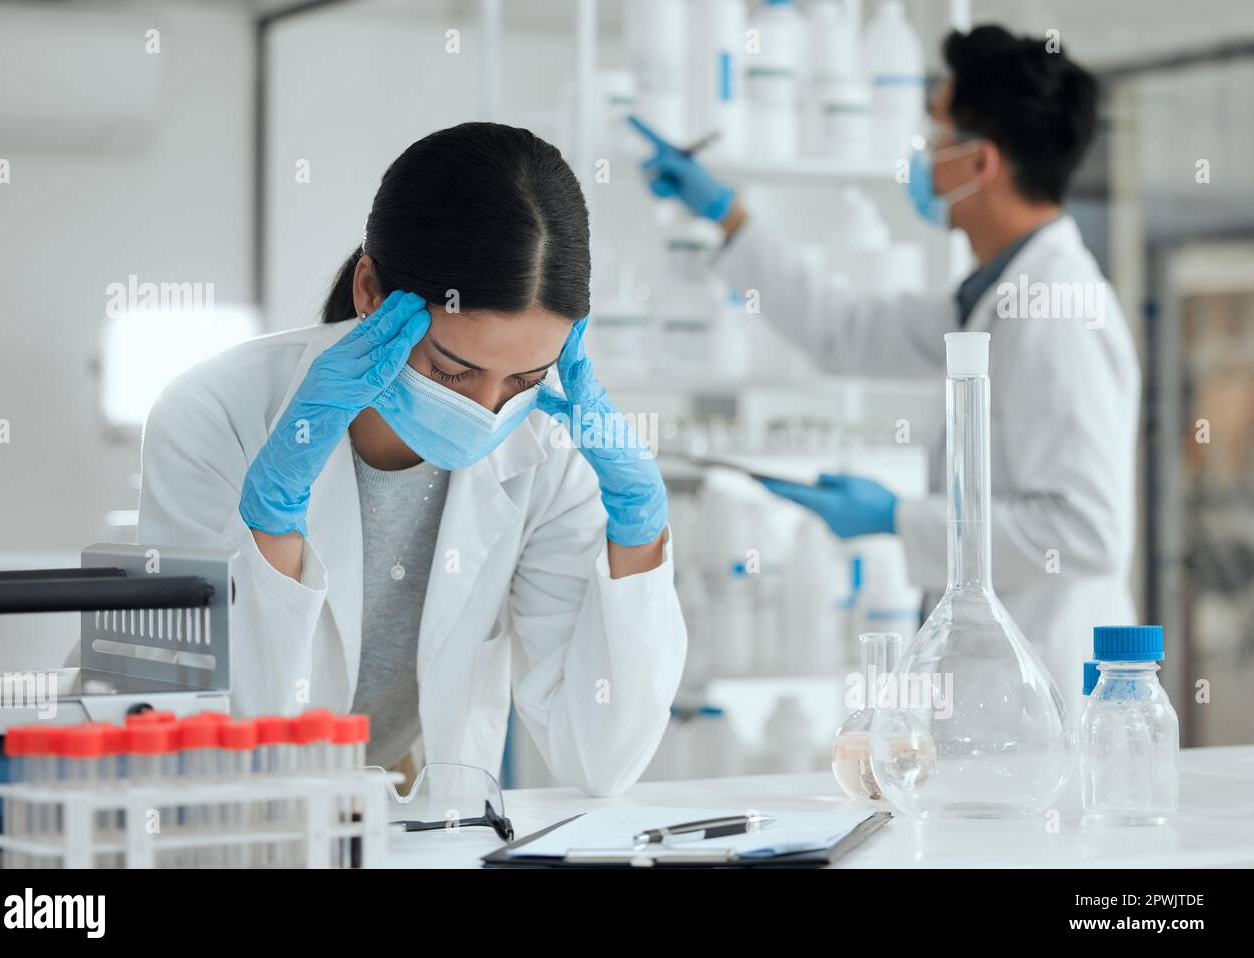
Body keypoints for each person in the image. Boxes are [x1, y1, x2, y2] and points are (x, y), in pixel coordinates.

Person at [138, 122, 686, 796]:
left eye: (524, 378)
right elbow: (227, 742)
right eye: (455, 371)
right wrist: (274, 516)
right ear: (371, 292)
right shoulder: (213, 411)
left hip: (389, 804)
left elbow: (601, 757)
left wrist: (640, 532)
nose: (489, 410)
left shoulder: (551, 448)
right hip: (186, 814)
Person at [631, 26, 1139, 708]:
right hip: (1005, 686)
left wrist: (899, 517)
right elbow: (845, 330)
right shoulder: (998, 294)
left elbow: (1087, 534)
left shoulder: (1055, 312)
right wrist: (726, 214)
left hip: (1047, 680)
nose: (924, 160)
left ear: (980, 163)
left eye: (935, 140)